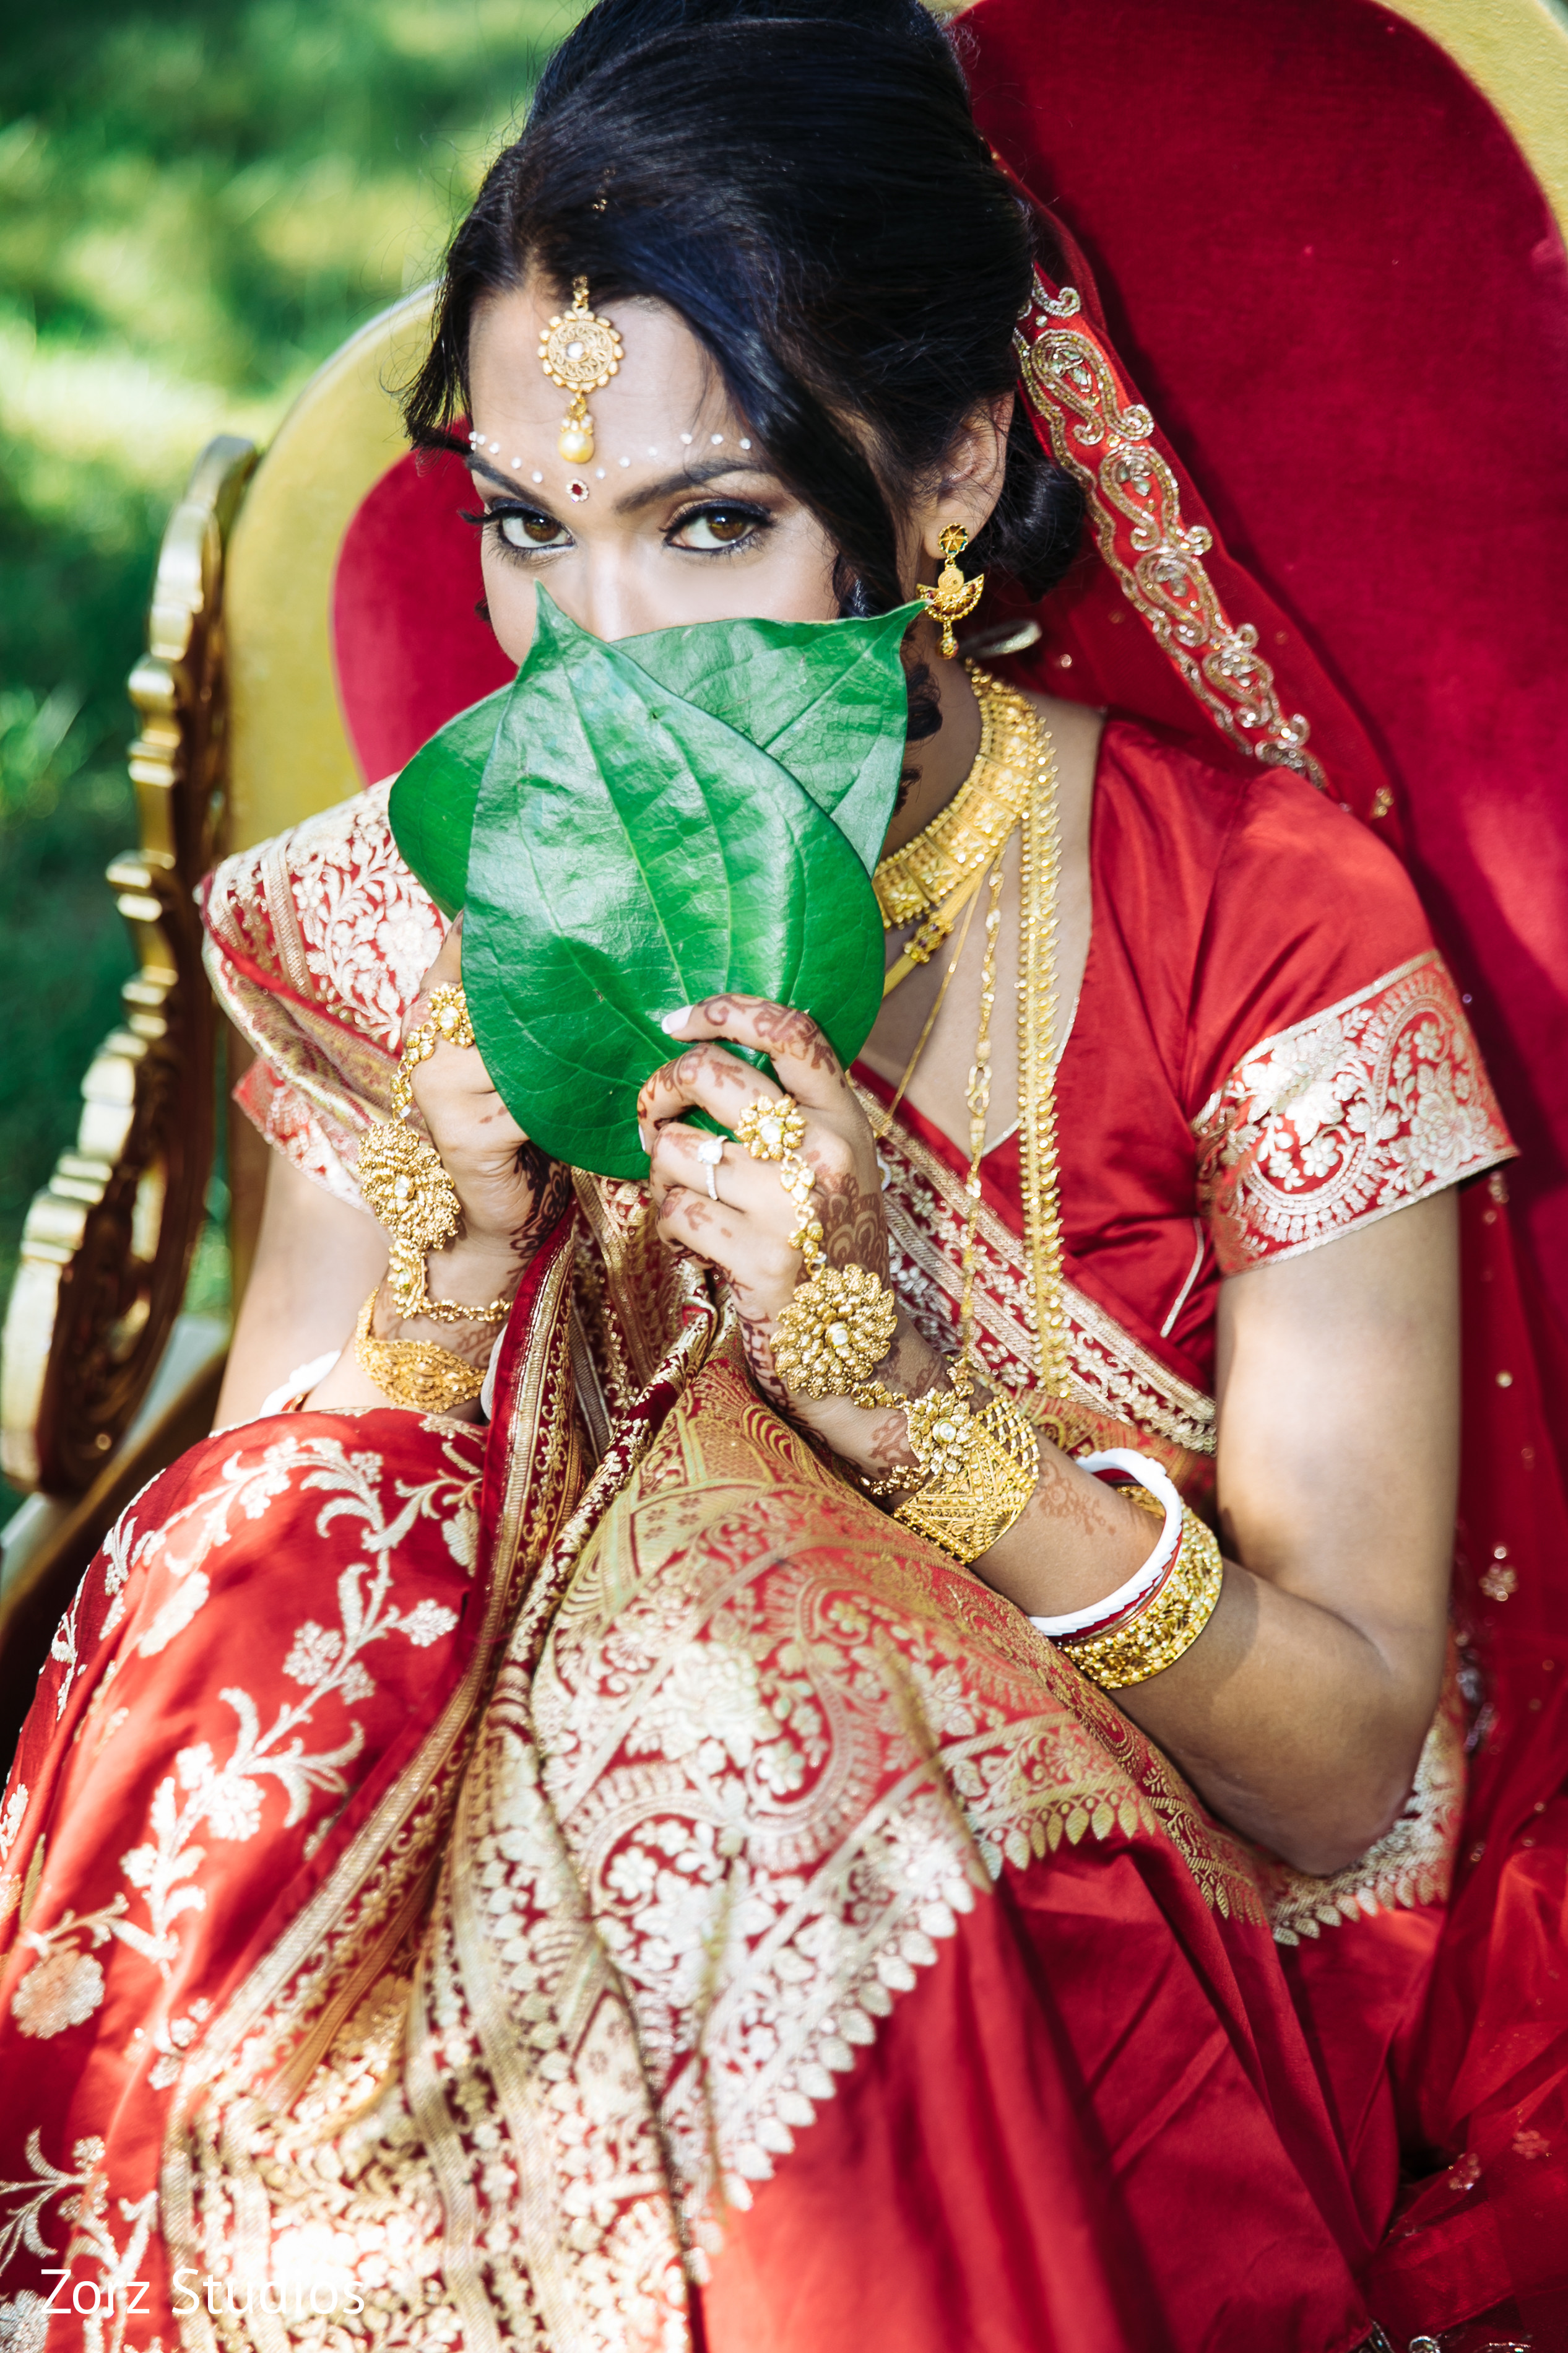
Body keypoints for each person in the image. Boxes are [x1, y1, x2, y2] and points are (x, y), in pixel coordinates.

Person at [0, 3, 1559, 2346]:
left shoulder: (1258, 917)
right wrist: (458, 1275)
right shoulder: (405, 919)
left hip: (1090, 1996)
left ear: (946, 479)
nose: (593, 647)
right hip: (479, 2014)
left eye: (710, 524)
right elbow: (290, 1696)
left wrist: (905, 1406)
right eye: (530, 531)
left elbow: (1344, 1777)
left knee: (749, 1656)